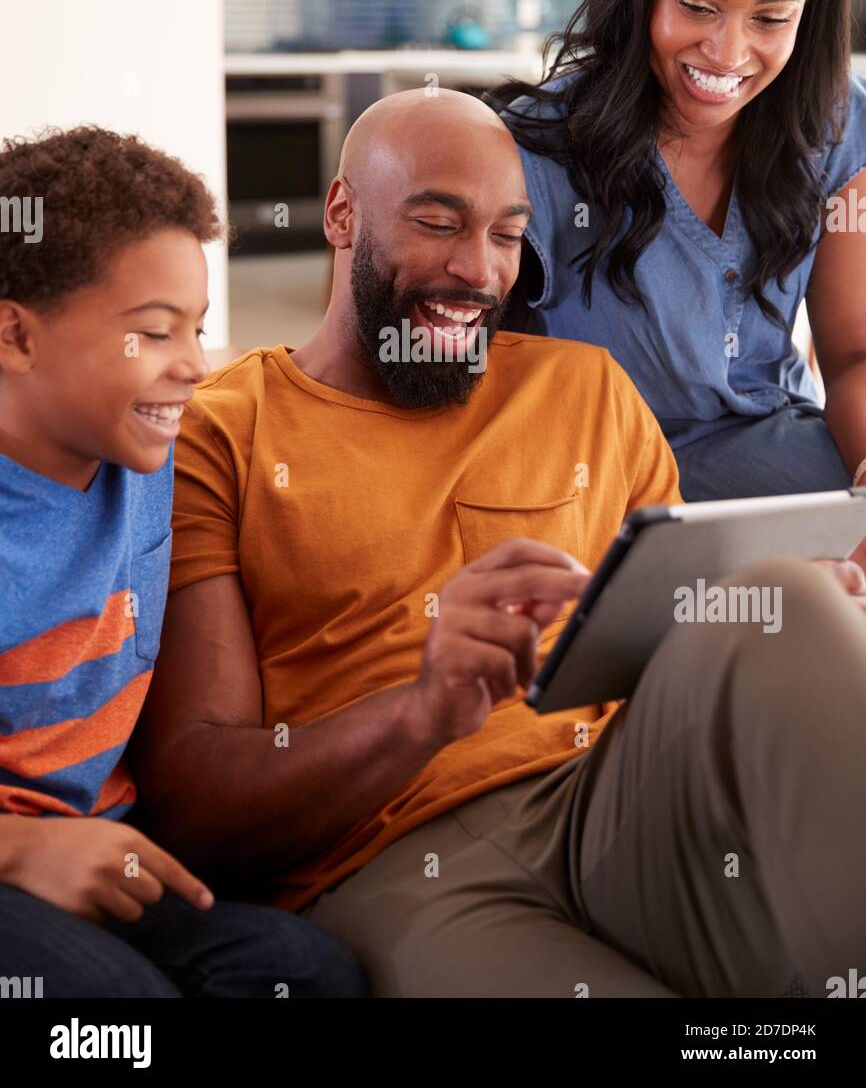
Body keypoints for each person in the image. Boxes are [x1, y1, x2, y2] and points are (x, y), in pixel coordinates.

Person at [130, 89, 866, 998]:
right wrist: (424, 709)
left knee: (794, 603)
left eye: (509, 236)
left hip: (615, 804)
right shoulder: (221, 432)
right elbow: (196, 796)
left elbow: (680, 646)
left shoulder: (587, 390)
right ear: (341, 214)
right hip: (393, 862)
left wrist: (784, 603)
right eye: (438, 223)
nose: (477, 271)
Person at [0, 126, 367, 997]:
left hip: (107, 845)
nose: (194, 367)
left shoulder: (158, 451)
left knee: (305, 971)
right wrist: (22, 849)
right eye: (157, 333)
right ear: (16, 334)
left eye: (198, 329)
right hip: (20, 861)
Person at [486, 0, 866, 504]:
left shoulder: (836, 124)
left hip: (781, 464)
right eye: (696, 5)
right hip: (590, 485)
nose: (727, 51)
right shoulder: (530, 147)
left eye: (772, 17)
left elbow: (855, 354)